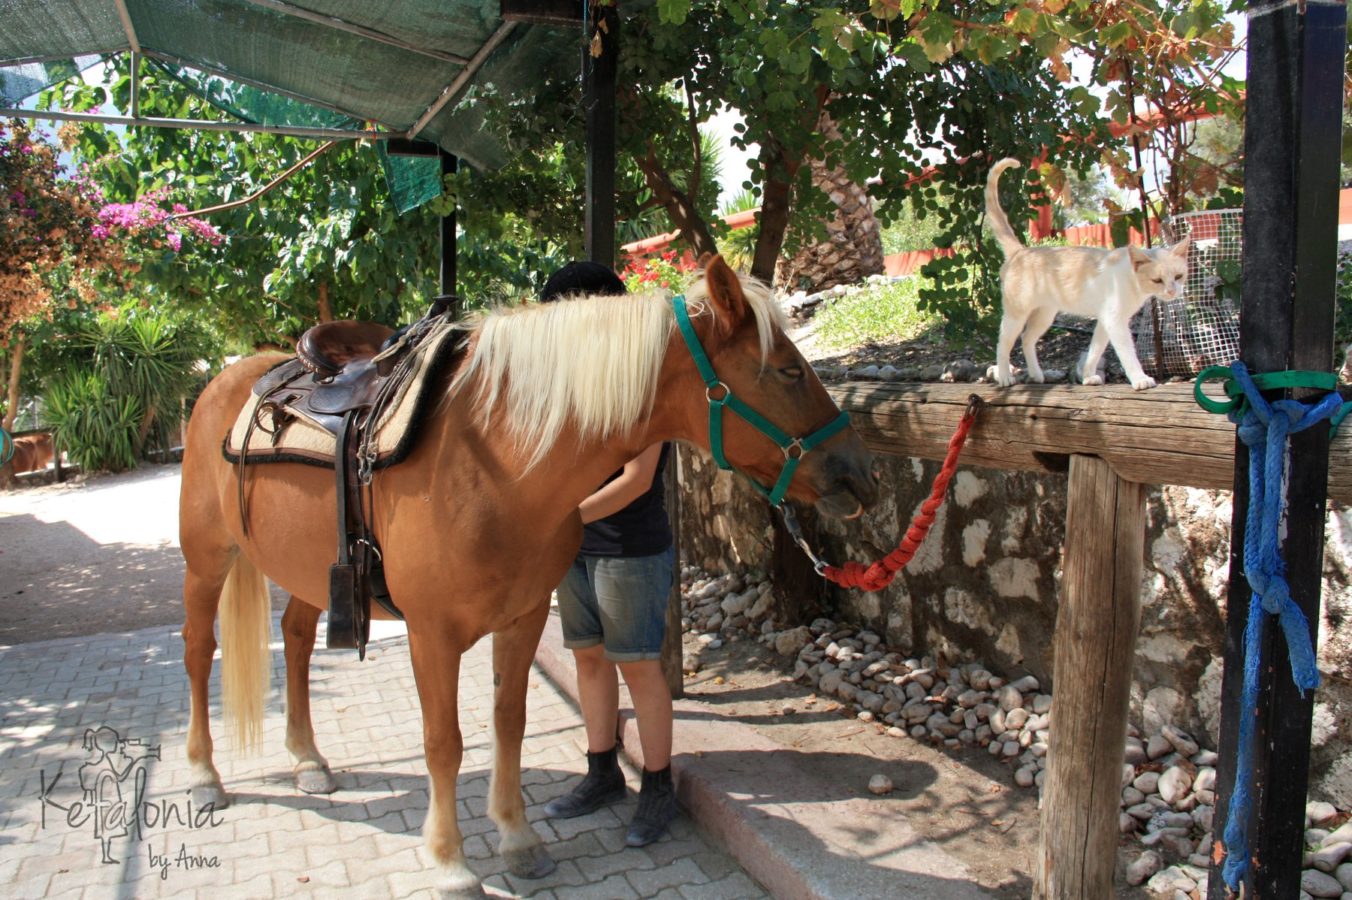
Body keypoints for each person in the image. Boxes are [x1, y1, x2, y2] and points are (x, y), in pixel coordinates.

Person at [538, 261, 678, 847]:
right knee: (589, 660)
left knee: (639, 665)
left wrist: (559, 518)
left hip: (629, 548)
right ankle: (601, 773)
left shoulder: (642, 380)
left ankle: (658, 787)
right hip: (575, 546)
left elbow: (638, 480)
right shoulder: (566, 381)